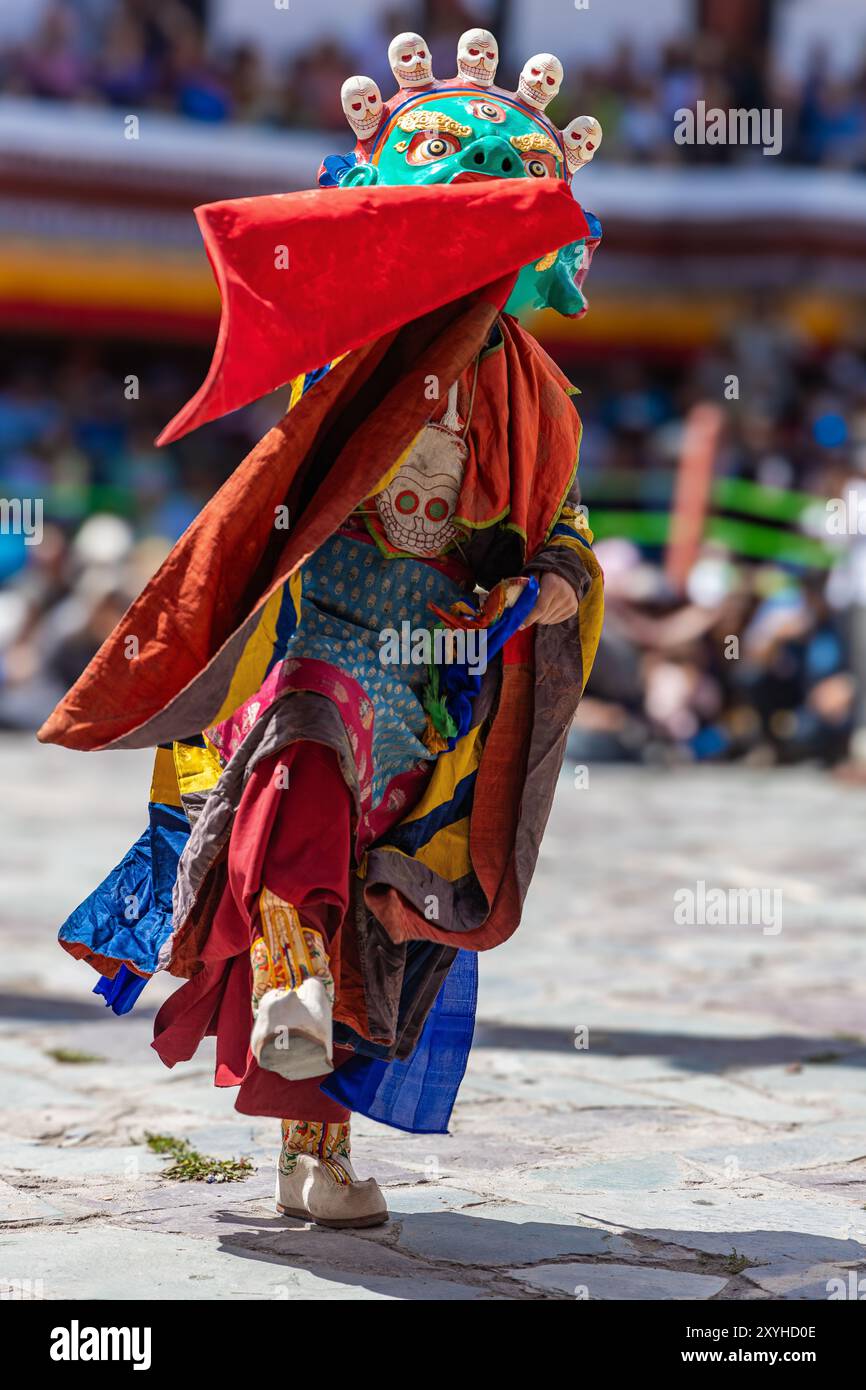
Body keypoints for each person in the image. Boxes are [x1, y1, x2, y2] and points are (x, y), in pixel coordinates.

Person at [39, 28, 605, 1229]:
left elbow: (565, 542)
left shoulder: (542, 400)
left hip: (440, 673)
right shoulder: (349, 356)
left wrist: (541, 593)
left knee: (381, 904)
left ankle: (317, 1149)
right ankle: (286, 985)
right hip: (319, 636)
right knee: (300, 758)